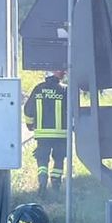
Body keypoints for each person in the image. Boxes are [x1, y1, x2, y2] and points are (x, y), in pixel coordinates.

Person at [23, 69, 69, 197]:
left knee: (42, 159)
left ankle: (42, 182)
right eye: (61, 70)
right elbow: (72, 110)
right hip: (61, 134)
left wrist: (30, 124)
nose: (64, 72)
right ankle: (56, 184)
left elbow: (28, 109)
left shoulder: (38, 89)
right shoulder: (64, 90)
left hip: (42, 134)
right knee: (59, 158)